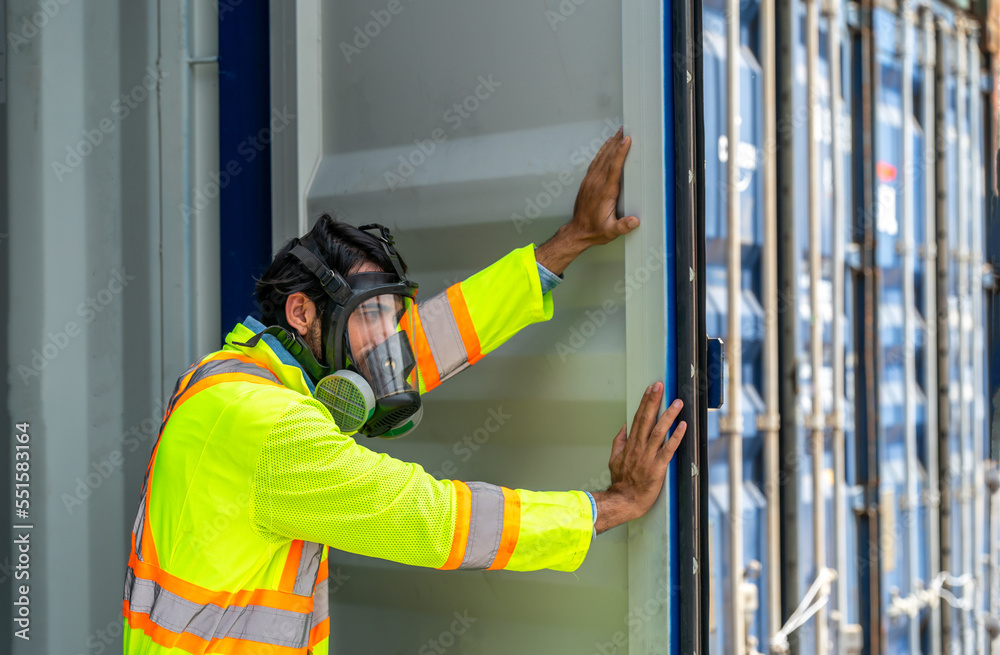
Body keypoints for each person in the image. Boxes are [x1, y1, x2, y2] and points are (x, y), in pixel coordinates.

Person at [122, 128, 687, 654]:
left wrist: (569, 243)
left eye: (392, 320)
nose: (388, 345)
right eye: (371, 318)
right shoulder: (274, 429)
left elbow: (433, 338)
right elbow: (431, 518)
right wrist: (608, 507)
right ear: (301, 312)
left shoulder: (231, 380)